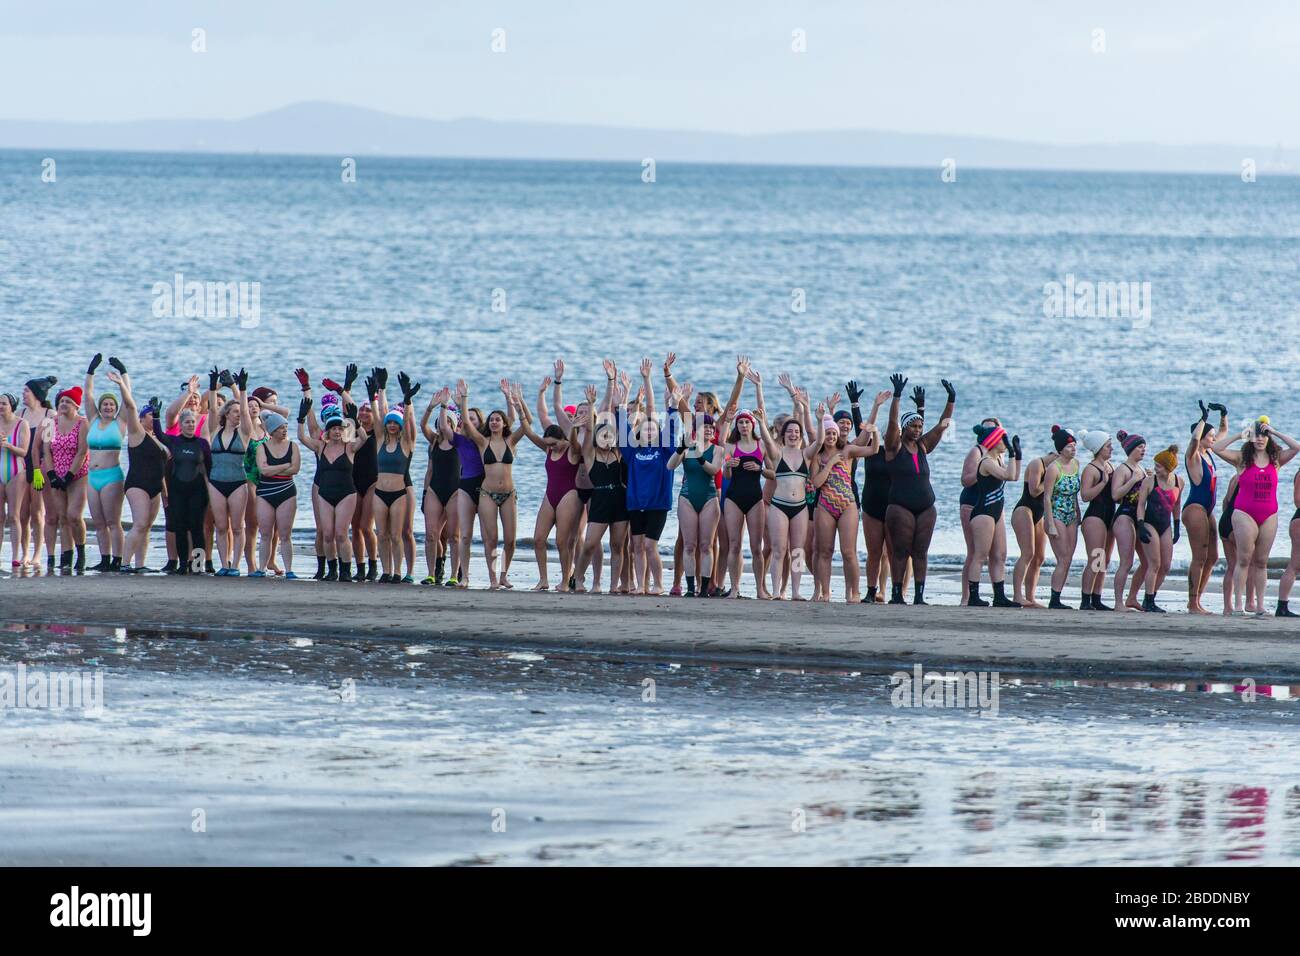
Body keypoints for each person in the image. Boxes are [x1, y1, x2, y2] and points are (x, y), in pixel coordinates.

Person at [1213, 417, 1300, 616]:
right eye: (1256, 436)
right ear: (1251, 439)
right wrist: (1240, 435)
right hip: (1244, 513)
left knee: (1261, 562)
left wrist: (1275, 431)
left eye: (1264, 436)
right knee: (1244, 560)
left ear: (1268, 438)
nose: (1260, 439)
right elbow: (1217, 448)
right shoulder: (1242, 460)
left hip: (1269, 514)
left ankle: (1260, 606)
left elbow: (1296, 448)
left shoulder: (1275, 460)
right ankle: (1238, 606)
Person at [883, 375, 956, 605]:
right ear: (905, 428)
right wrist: (897, 397)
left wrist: (951, 400)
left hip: (926, 508)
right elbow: (893, 424)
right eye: (913, 426)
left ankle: (919, 595)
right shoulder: (893, 447)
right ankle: (896, 594)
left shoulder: (923, 446)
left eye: (919, 426)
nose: (917, 430)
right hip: (900, 507)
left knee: (921, 553)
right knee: (901, 551)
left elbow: (942, 426)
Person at [809, 405, 878, 603]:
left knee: (849, 552)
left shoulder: (847, 450)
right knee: (825, 551)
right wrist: (830, 464)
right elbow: (816, 483)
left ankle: (853, 593)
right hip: (825, 505)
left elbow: (873, 450)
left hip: (847, 503)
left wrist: (874, 431)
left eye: (834, 433)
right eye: (828, 433)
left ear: (838, 434)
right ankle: (825, 593)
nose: (831, 436)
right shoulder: (818, 456)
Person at [620, 359, 677, 595]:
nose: (650, 430)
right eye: (646, 428)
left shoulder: (664, 450)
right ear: (639, 432)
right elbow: (622, 424)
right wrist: (623, 400)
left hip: (657, 504)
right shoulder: (632, 451)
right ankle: (641, 585)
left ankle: (658, 584)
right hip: (636, 504)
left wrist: (648, 379)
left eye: (653, 428)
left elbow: (668, 422)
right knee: (636, 546)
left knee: (649, 545)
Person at [299, 391, 367, 582]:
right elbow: (302, 437)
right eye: (333, 428)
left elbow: (364, 438)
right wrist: (301, 418)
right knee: (327, 534)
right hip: (325, 493)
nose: (337, 431)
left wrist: (355, 419)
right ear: (327, 431)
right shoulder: (321, 447)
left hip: (346, 493)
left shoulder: (350, 447)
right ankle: (332, 569)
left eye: (339, 428)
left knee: (341, 533)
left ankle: (346, 570)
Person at [573, 383, 629, 594]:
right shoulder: (590, 454)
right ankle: (578, 579)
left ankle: (614, 585)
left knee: (617, 545)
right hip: (600, 499)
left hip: (619, 500)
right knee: (589, 544)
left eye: (610, 436)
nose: (607, 439)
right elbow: (588, 430)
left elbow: (624, 430)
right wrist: (591, 404)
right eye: (603, 435)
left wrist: (622, 404)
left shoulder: (619, 454)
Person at [110, 369, 167, 574]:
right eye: (149, 414)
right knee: (140, 523)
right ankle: (125, 563)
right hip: (137, 484)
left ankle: (140, 564)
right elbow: (131, 406)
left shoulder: (160, 438)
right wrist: (122, 384)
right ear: (142, 419)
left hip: (155, 486)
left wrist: (165, 492)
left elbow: (163, 467)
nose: (153, 417)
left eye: (154, 414)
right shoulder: (137, 433)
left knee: (147, 527)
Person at [370, 371, 420, 584]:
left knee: (396, 535)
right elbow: (378, 415)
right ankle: (386, 570)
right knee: (381, 534)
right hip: (380, 493)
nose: (391, 425)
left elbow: (410, 425)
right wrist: (378, 391)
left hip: (399, 494)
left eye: (395, 423)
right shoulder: (380, 440)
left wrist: (407, 400)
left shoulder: (407, 443)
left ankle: (398, 572)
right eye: (389, 422)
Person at [667, 412, 723, 598]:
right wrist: (680, 449)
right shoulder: (687, 447)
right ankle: (690, 588)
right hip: (687, 497)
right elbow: (670, 466)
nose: (708, 430)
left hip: (709, 497)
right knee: (689, 545)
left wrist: (699, 456)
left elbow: (713, 470)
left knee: (706, 545)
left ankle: (705, 587)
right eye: (704, 426)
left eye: (711, 427)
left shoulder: (717, 450)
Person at [965, 423, 1021, 607]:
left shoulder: (998, 460)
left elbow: (1014, 476)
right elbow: (1007, 476)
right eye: (1002, 439)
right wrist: (1012, 455)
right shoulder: (987, 461)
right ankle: (973, 596)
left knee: (1000, 555)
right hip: (983, 512)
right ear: (993, 441)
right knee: (980, 555)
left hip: (996, 512)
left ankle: (999, 596)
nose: (1005, 443)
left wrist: (1017, 456)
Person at [81, 354, 126, 571]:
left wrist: (123, 374)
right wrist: (91, 372)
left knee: (112, 521)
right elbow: (87, 396)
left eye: (111, 404)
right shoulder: (94, 420)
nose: (108, 407)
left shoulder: (121, 422)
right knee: (98, 523)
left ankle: (118, 559)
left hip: (112, 476)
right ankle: (104, 558)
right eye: (105, 404)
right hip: (93, 477)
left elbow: (128, 401)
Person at [1127, 445, 1182, 613]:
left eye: (1159, 466)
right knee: (1154, 564)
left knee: (1165, 566)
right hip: (1149, 523)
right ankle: (1149, 600)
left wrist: (1177, 525)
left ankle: (1149, 597)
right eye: (1155, 465)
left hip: (1166, 525)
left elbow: (1177, 505)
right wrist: (1141, 525)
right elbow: (1141, 505)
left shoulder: (1180, 482)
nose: (1155, 468)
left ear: (1168, 468)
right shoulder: (1150, 481)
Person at [1184, 401, 1228, 614]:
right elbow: (1194, 439)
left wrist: (1223, 414)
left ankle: (1197, 600)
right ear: (1202, 438)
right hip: (1194, 508)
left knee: (1213, 557)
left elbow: (1223, 431)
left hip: (1207, 510)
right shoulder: (1193, 456)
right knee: (1200, 556)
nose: (1213, 439)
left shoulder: (1208, 451)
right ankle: (1192, 603)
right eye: (1209, 436)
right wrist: (1203, 417)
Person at [42, 383, 89, 572]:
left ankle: (81, 552)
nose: (63, 404)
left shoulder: (82, 422)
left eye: (68, 402)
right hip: (56, 472)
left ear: (76, 406)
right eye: (62, 401)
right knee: (62, 517)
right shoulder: (49, 423)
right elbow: (46, 450)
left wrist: (69, 475)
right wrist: (52, 475)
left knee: (74, 516)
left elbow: (82, 451)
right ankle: (66, 555)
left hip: (77, 473)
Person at [161, 406, 213, 575]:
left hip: (198, 492)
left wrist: (212, 491)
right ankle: (183, 564)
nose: (190, 425)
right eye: (187, 422)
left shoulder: (202, 444)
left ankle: (198, 565)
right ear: (181, 425)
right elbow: (159, 434)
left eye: (192, 422)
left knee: (197, 528)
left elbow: (210, 468)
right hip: (177, 492)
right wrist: (155, 416)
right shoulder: (174, 441)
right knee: (180, 528)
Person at [250, 408, 300, 579]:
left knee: (285, 534)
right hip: (265, 492)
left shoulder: (293, 446)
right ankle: (261, 568)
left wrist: (277, 469)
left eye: (285, 427)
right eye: (280, 428)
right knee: (265, 533)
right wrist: (283, 466)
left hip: (286, 491)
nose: (284, 430)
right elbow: (263, 471)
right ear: (272, 430)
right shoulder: (262, 446)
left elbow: (295, 469)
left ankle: (289, 569)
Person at [18, 376, 56, 570]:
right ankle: (24, 553)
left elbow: (49, 445)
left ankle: (37, 554)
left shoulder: (49, 414)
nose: (23, 394)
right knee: (22, 513)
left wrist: (43, 469)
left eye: (26, 391)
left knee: (37, 512)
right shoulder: (21, 413)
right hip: (21, 467)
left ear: (37, 394)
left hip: (40, 466)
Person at [1109, 430, 1150, 611]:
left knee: (1147, 561)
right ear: (1131, 449)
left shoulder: (1141, 468)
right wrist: (1133, 480)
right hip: (1124, 515)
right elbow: (1115, 495)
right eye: (1140, 447)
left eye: (1144, 447)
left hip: (1138, 517)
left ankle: (1132, 598)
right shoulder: (1123, 469)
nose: (1143, 450)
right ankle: (1118, 602)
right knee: (1126, 562)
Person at [1041, 426, 1081, 609]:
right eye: (1069, 446)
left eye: (1074, 445)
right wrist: (1049, 523)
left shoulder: (1076, 464)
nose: (1073, 449)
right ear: (1060, 449)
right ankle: (1054, 599)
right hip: (1056, 513)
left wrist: (1078, 513)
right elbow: (1046, 497)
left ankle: (1059, 595)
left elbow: (1075, 494)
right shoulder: (1053, 468)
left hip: (1071, 514)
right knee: (1062, 558)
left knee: (1069, 558)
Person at [1076, 430, 1115, 610]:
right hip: (1095, 517)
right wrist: (1102, 483)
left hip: (1109, 516)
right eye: (1108, 446)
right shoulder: (1091, 469)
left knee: (1104, 561)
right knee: (1095, 559)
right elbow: (1085, 496)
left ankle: (1097, 598)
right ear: (1098, 449)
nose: (1111, 448)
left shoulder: (1111, 466)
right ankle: (1085, 600)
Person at [0, 392, 31, 567]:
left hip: (16, 471)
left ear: (12, 405)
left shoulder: (21, 424)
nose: (0, 406)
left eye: (4, 403)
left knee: (14, 515)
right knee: (0, 516)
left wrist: (8, 445)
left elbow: (24, 452)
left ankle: (15, 555)